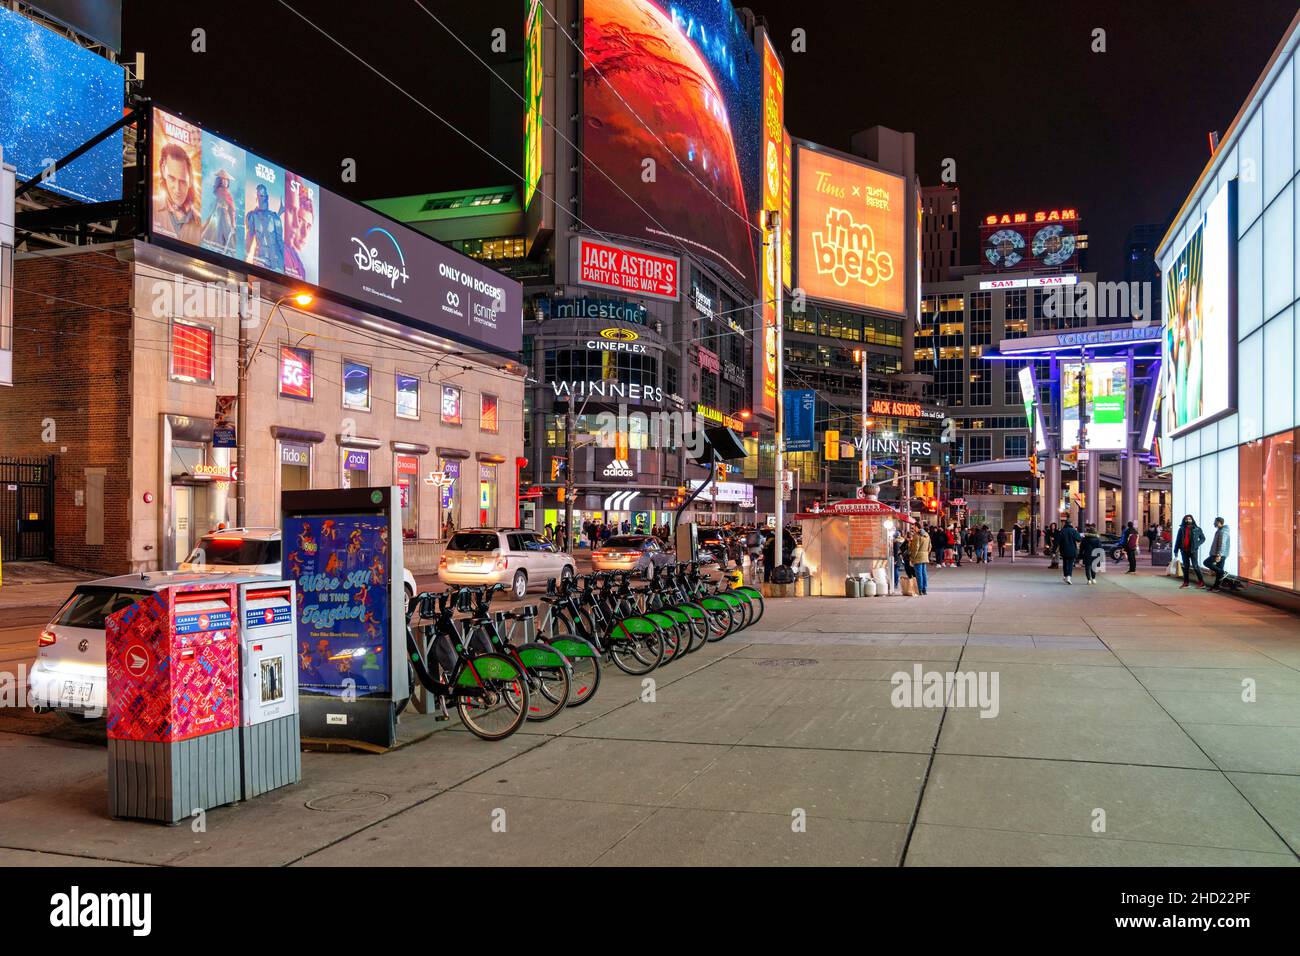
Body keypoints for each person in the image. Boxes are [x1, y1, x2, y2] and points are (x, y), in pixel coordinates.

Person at [1174, 514, 1206, 588]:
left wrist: (1196, 544)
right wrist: (1176, 550)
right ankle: (1186, 583)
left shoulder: (1197, 529)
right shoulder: (1181, 529)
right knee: (1186, 567)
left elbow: (1203, 538)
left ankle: (1202, 583)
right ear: (1184, 520)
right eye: (1186, 519)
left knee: (1195, 566)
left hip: (1193, 551)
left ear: (1192, 520)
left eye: (1189, 519)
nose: (1188, 520)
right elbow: (1178, 540)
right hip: (1184, 551)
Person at [1205, 517, 1231, 591]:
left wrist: (1219, 554)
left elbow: (1222, 544)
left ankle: (1223, 572)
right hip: (1219, 554)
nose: (1214, 523)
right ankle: (1216, 587)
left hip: (1220, 554)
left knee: (1206, 562)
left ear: (1219, 522)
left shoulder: (1223, 531)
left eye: (1215, 522)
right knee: (1218, 572)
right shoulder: (1220, 530)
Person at [1056, 519, 1082, 584]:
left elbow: (1057, 541)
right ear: (1071, 524)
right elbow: (1079, 539)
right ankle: (1069, 577)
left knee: (1065, 563)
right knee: (1070, 564)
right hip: (1072, 550)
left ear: (1065, 524)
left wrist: (1054, 550)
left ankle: (1065, 576)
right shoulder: (1074, 531)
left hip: (1064, 550)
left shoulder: (1062, 531)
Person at [908, 527, 932, 595]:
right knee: (924, 573)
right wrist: (926, 553)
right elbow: (930, 546)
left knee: (919, 574)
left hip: (918, 557)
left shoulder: (917, 536)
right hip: (925, 556)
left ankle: (920, 589)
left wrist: (912, 557)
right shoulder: (927, 535)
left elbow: (916, 548)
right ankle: (924, 589)